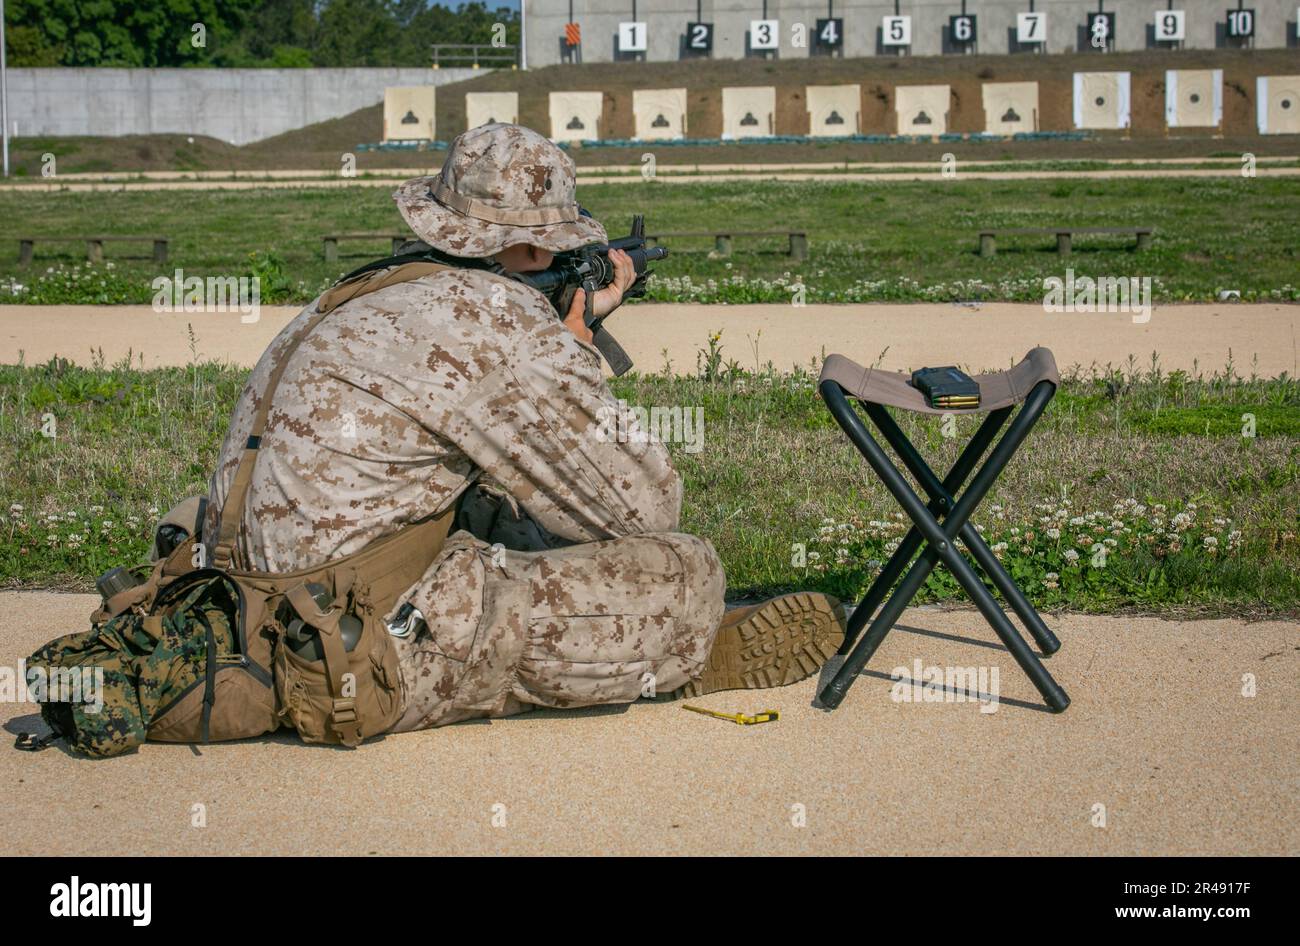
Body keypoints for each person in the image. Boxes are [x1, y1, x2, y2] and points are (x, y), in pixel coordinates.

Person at [200, 122, 845, 734]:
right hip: (341, 655)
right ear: (535, 247)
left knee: (504, 505)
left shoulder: (368, 289)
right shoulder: (495, 325)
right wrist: (574, 350)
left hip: (237, 597)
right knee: (688, 572)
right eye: (560, 248)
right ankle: (672, 654)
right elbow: (647, 506)